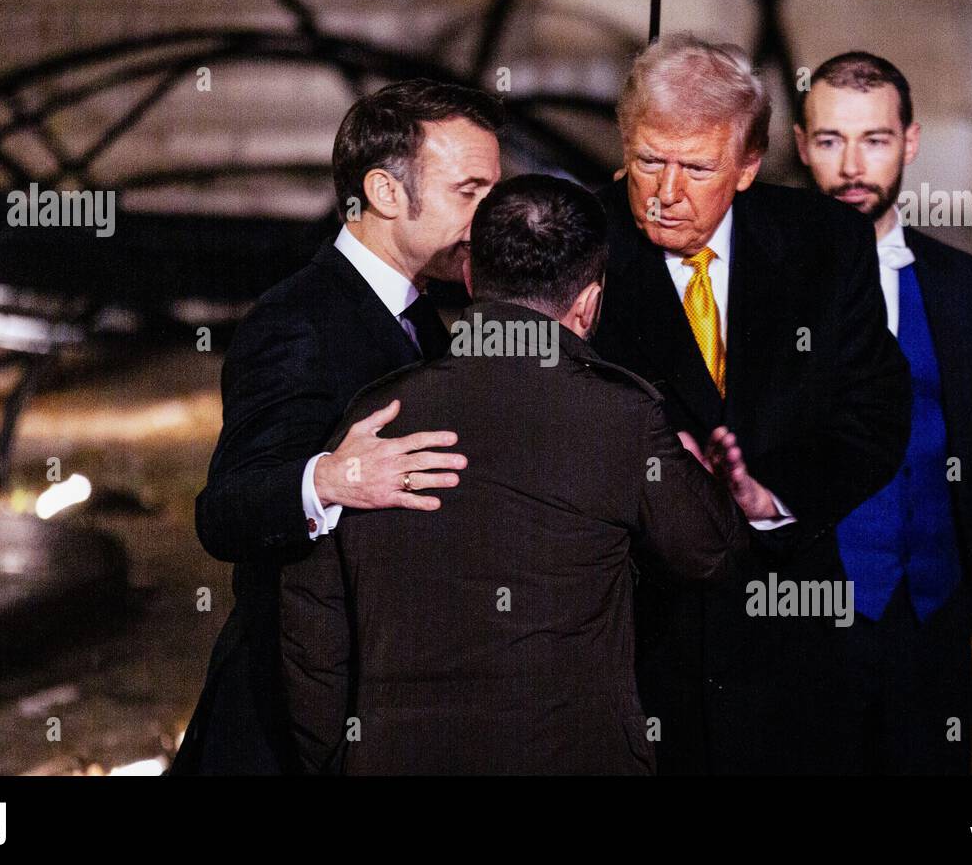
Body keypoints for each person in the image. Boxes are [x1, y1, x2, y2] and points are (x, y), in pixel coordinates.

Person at [278, 174, 751, 774]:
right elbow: (709, 554)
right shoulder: (623, 419)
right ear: (588, 305)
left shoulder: (373, 419)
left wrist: (338, 760)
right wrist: (703, 478)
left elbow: (311, 618)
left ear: (472, 278)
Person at [591, 32, 913, 774]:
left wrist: (774, 496)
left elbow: (874, 411)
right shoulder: (586, 241)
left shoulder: (826, 242)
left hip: (787, 626)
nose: (667, 192)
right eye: (648, 161)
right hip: (634, 633)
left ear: (746, 166)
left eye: (697, 167)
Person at [171, 79, 502, 774]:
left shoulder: (422, 316)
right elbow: (224, 512)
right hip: (279, 724)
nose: (488, 216)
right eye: (468, 192)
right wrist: (330, 477)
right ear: (384, 193)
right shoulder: (297, 321)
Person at [795, 51, 972, 773]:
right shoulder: (762, 286)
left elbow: (966, 429)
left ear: (909, 143)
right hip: (808, 607)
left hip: (936, 600)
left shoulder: (963, 284)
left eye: (874, 139)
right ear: (799, 145)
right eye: (829, 140)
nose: (852, 164)